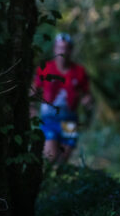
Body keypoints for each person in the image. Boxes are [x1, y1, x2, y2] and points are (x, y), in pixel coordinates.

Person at [31, 33, 92, 166]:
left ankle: (57, 177)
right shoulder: (45, 68)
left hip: (70, 120)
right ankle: (45, 176)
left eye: (65, 48)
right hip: (49, 119)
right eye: (59, 48)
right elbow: (34, 90)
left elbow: (86, 93)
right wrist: (32, 109)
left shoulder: (79, 71)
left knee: (62, 160)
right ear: (55, 49)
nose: (62, 51)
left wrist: (87, 101)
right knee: (50, 157)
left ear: (71, 50)